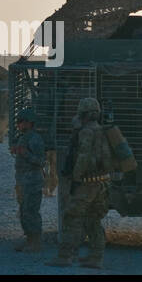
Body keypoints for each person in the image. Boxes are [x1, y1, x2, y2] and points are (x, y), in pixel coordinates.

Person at [47, 97, 111, 269]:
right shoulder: (101, 130)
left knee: (72, 217)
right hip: (101, 182)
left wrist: (75, 177)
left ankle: (65, 256)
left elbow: (83, 156)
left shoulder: (86, 131)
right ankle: (96, 257)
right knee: (92, 220)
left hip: (86, 183)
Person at [10, 108, 46, 252]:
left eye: (21, 122)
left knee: (31, 211)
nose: (19, 124)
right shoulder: (23, 137)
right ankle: (29, 239)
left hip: (33, 180)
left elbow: (41, 161)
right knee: (24, 211)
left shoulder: (35, 139)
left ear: (29, 123)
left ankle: (36, 242)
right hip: (23, 180)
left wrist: (25, 154)